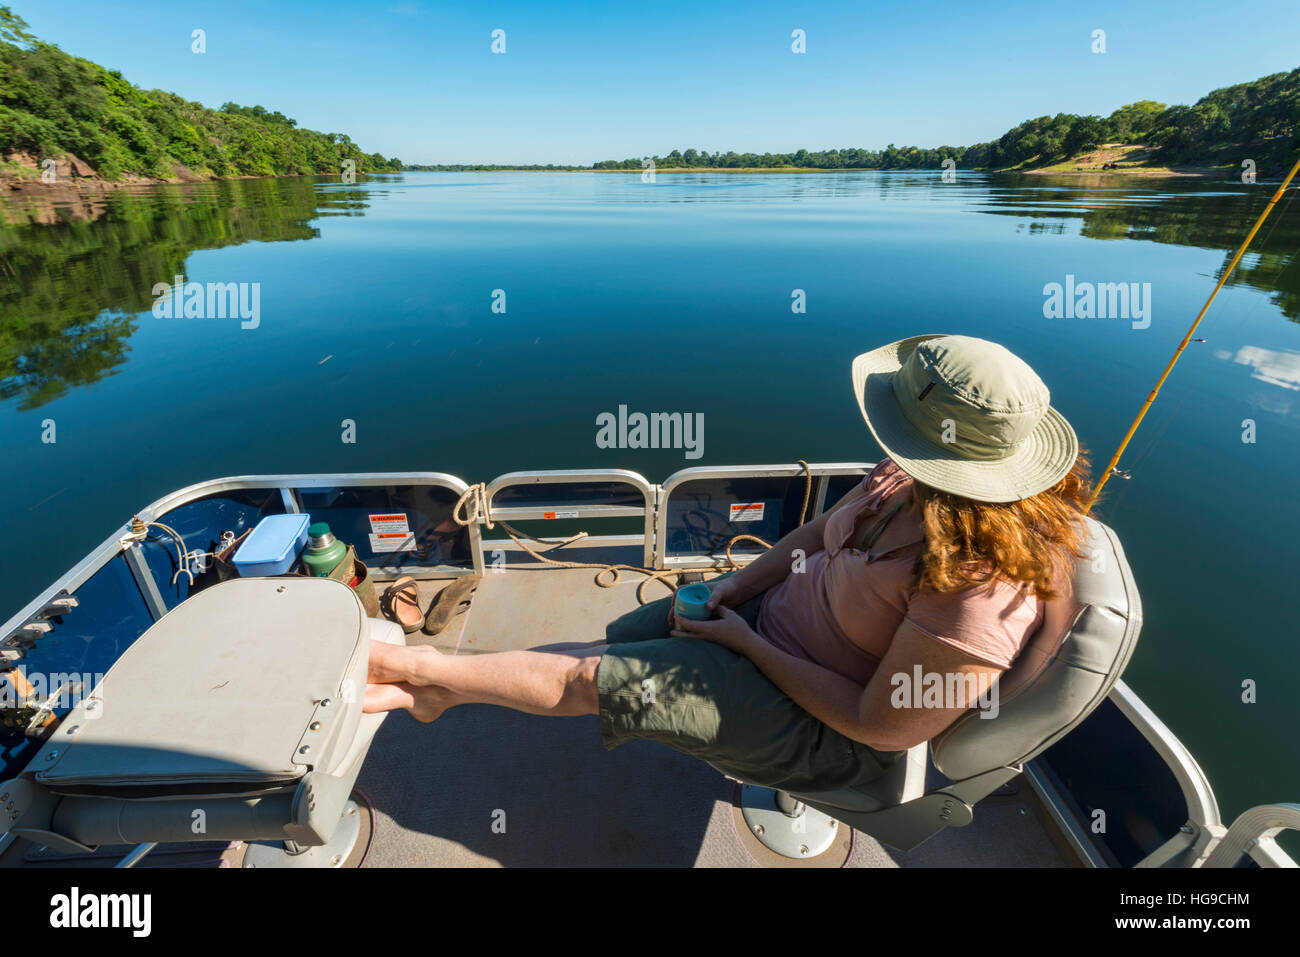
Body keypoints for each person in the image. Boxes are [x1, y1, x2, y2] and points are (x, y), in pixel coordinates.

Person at [363, 334, 1093, 793]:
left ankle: (413, 668)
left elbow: (882, 727)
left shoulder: (978, 592)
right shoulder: (906, 480)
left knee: (591, 681)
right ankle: (441, 694)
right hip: (766, 626)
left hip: (825, 728)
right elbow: (817, 534)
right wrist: (736, 588)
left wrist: (745, 644)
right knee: (615, 643)